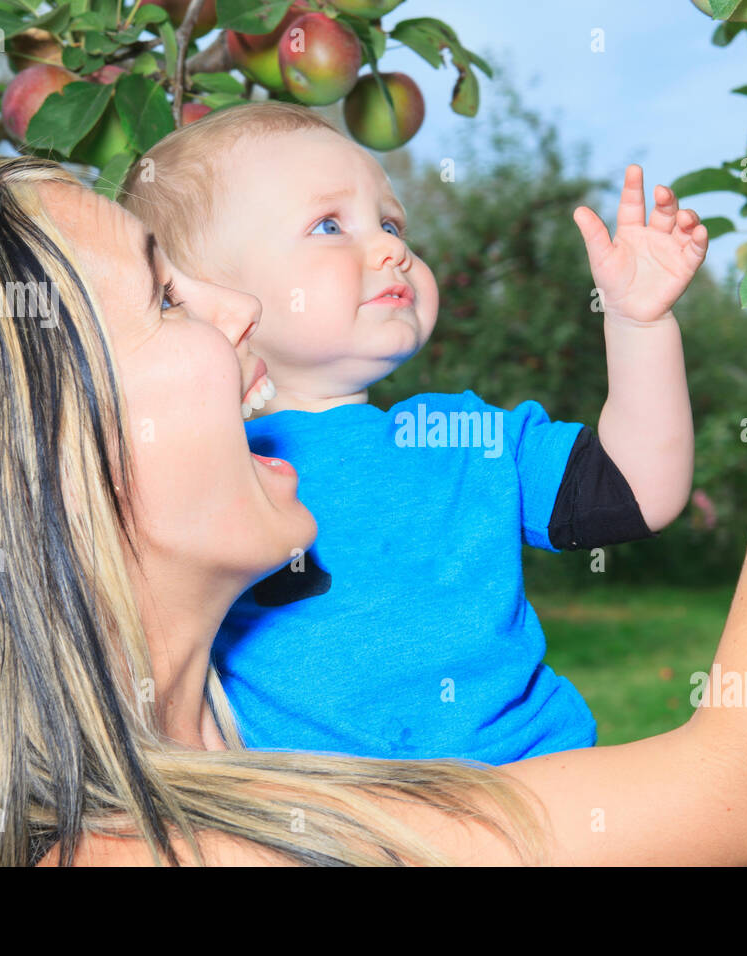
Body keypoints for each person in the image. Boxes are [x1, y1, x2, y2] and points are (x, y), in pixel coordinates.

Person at [0, 0, 747, 865]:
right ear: (34, 454)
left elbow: (628, 485)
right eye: (168, 297)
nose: (235, 319)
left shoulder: (193, 761)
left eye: (389, 221)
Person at [117, 96, 704, 765]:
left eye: (392, 222)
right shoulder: (190, 473)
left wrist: (638, 325)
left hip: (537, 795)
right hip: (336, 829)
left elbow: (638, 490)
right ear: (203, 296)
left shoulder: (460, 434)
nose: (390, 247)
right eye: (328, 225)